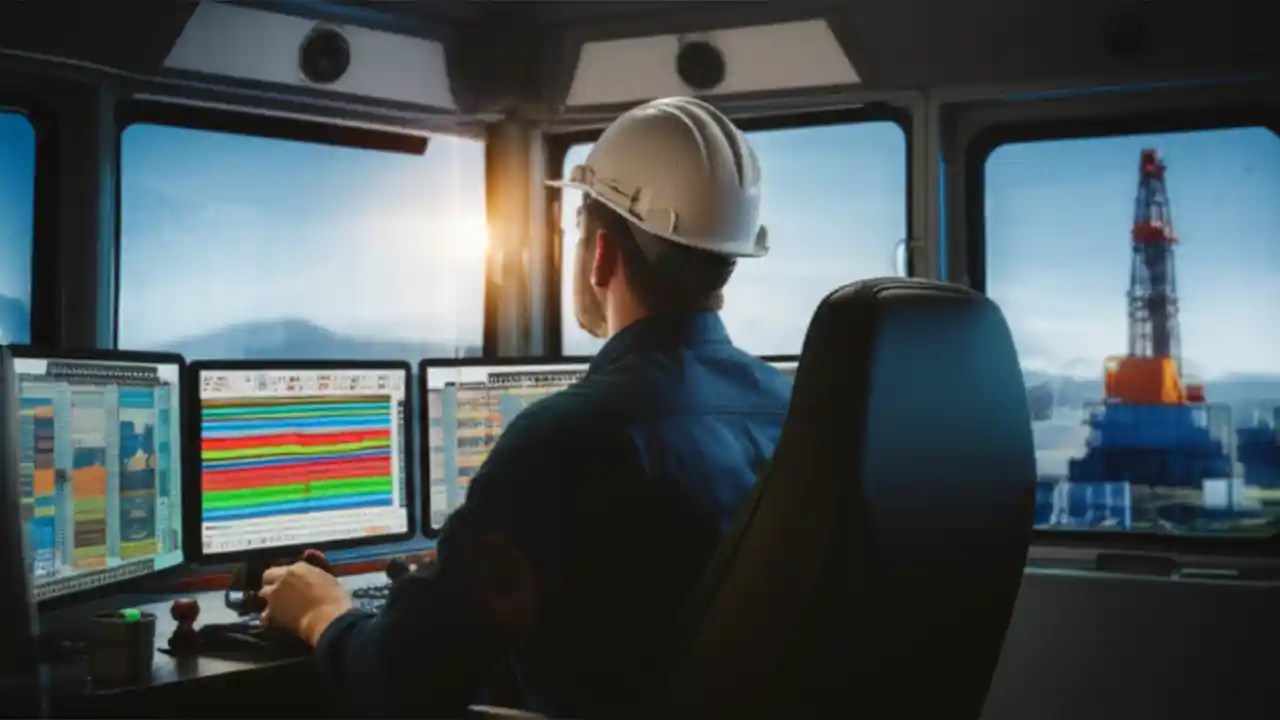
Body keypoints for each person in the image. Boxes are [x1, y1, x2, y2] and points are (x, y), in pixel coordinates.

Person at [258, 96, 793, 718]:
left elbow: (402, 681)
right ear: (724, 265)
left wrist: (323, 612)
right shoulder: (793, 411)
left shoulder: (566, 439)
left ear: (600, 255)